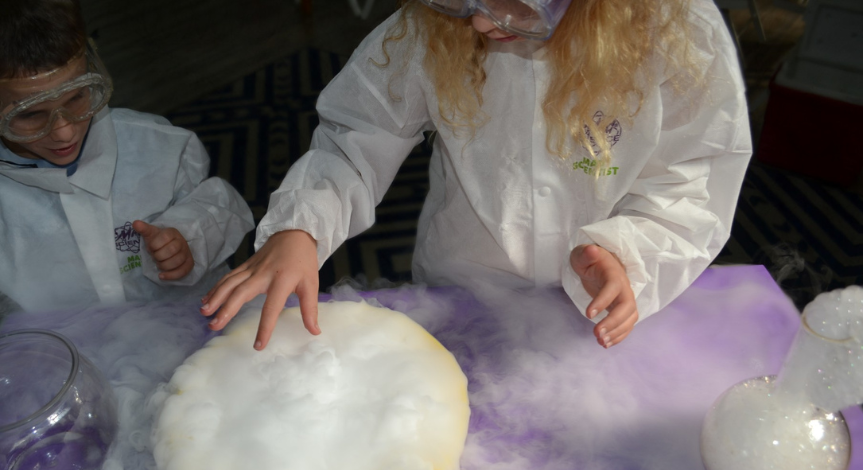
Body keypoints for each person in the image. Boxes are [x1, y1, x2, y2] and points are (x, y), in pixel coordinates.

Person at [202, 0, 752, 351]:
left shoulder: (678, 34)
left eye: (512, 3)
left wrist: (633, 255)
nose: (482, 23)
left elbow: (692, 182)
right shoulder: (433, 25)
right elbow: (359, 134)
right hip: (461, 287)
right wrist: (302, 225)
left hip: (599, 306)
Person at [0, 0, 255, 311]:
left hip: (181, 326)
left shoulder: (159, 146)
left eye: (78, 96)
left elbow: (214, 205)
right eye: (30, 115)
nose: (64, 132)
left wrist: (188, 239)